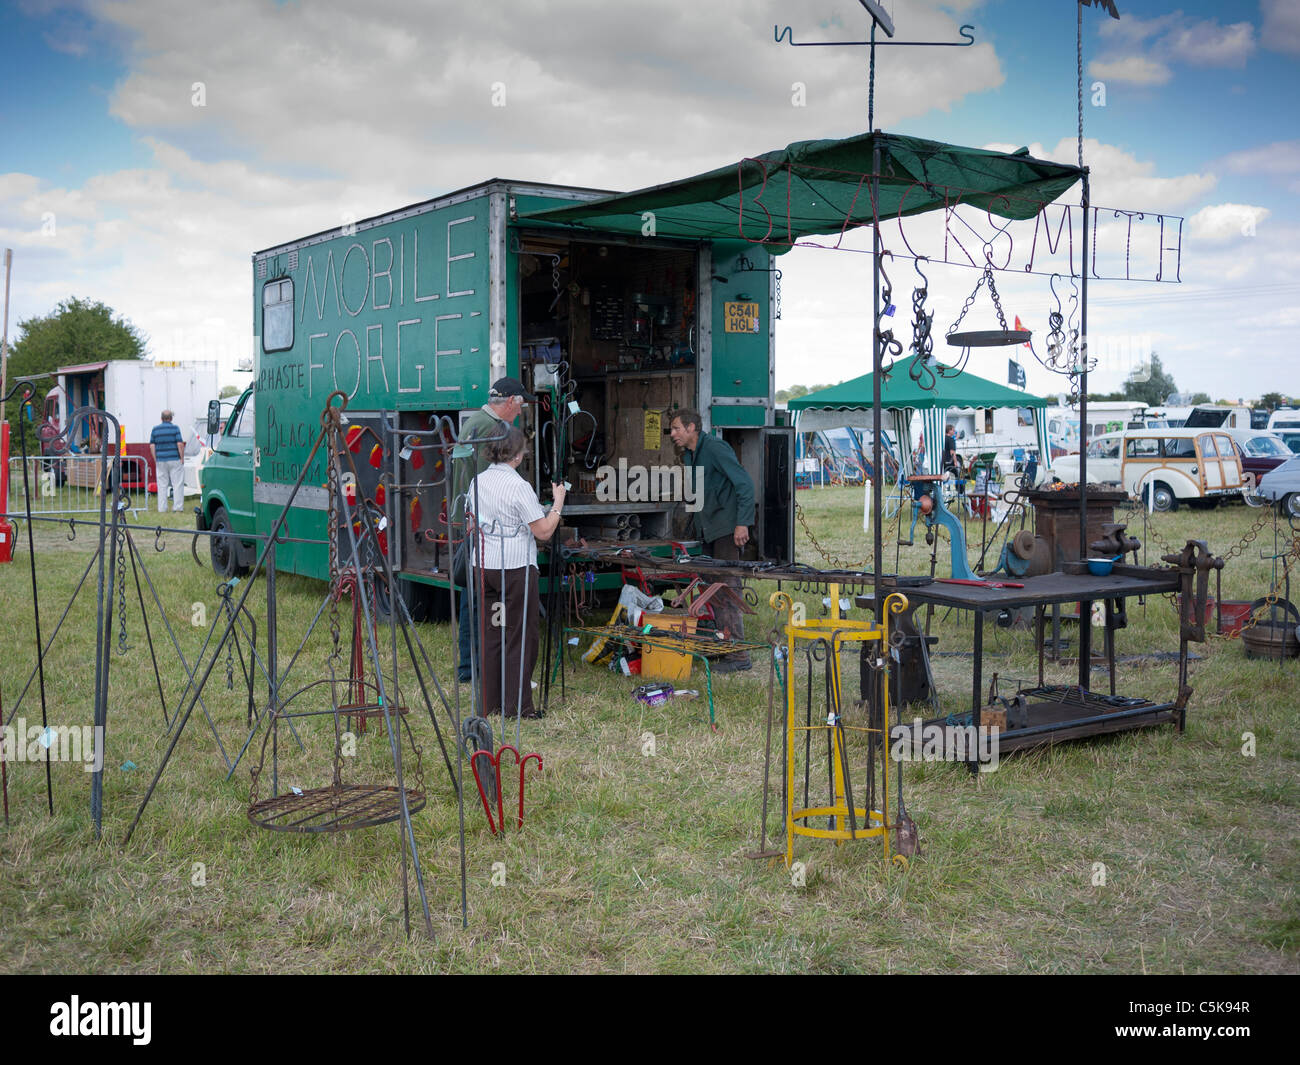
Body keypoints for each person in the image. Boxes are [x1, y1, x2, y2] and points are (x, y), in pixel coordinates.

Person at [465, 426, 565, 720]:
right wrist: (557, 502)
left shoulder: (477, 482)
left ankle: (491, 703)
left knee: (493, 633)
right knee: (519, 636)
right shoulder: (519, 486)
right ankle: (518, 707)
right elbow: (544, 531)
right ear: (518, 455)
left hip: (484, 567)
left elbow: (471, 525)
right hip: (515, 569)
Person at [450, 377, 534, 683]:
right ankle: (479, 667)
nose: (521, 411)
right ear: (510, 401)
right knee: (482, 600)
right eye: (521, 404)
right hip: (486, 529)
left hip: (471, 519)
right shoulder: (496, 429)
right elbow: (495, 482)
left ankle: (468, 667)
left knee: (471, 597)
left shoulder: (475, 420)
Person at [668, 409, 756, 672]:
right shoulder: (689, 456)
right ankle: (723, 646)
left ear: (692, 427)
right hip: (707, 530)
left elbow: (744, 484)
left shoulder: (716, 449)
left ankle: (739, 656)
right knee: (711, 592)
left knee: (727, 589)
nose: (672, 434)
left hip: (727, 530)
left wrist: (743, 522)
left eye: (676, 428)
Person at [149, 410, 187, 513]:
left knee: (162, 485)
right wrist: (182, 458)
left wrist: (155, 458)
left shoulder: (155, 430)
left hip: (161, 460)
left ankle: (162, 508)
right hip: (174, 459)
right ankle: (178, 507)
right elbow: (180, 444)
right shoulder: (175, 428)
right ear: (171, 418)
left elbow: (152, 445)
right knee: (177, 484)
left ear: (161, 418)